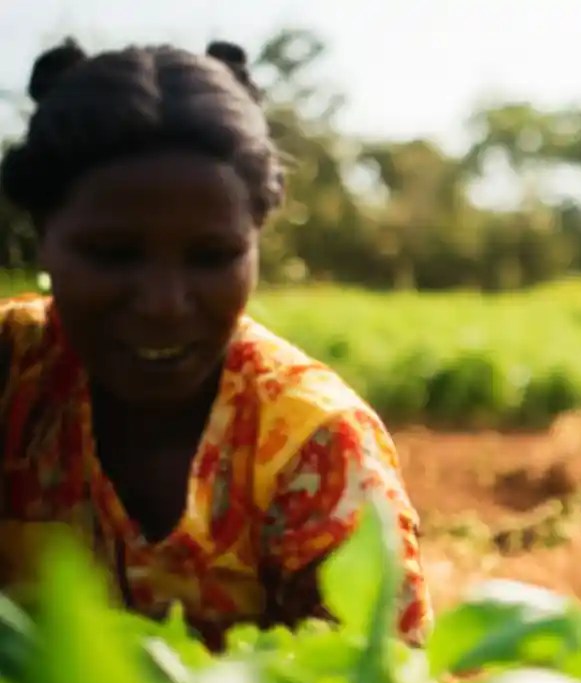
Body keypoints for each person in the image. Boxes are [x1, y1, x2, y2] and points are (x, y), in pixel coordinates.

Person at [0, 38, 431, 649]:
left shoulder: (316, 449)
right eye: (112, 254)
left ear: (255, 243)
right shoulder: (11, 376)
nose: (163, 302)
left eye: (210, 257)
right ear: (44, 235)